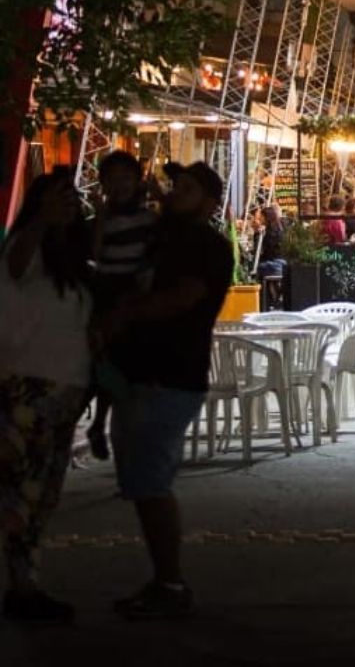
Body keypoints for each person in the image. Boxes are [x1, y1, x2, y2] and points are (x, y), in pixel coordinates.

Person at [99, 162, 233, 619]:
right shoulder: (161, 238)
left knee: (151, 483)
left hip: (171, 375)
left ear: (210, 201)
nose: (176, 192)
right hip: (142, 373)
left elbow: (183, 297)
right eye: (176, 185)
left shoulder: (206, 246)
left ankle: (169, 582)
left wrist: (125, 314)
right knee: (140, 481)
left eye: (189, 188)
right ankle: (164, 579)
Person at [0, 169, 93, 624]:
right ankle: (22, 585)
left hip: (66, 391)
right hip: (27, 387)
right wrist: (40, 221)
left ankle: (25, 583)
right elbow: (13, 264)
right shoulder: (27, 250)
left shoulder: (73, 261)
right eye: (58, 198)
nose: (68, 206)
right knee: (22, 491)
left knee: (43, 493)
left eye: (72, 199)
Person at [87, 152, 159, 459]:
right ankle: (101, 424)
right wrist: (101, 217)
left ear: (137, 181)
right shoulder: (97, 220)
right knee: (109, 365)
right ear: (103, 184)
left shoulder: (148, 218)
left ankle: (117, 437)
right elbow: (92, 254)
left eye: (126, 178)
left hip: (138, 296)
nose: (120, 185)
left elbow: (163, 246)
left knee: (131, 371)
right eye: (113, 179)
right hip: (107, 293)